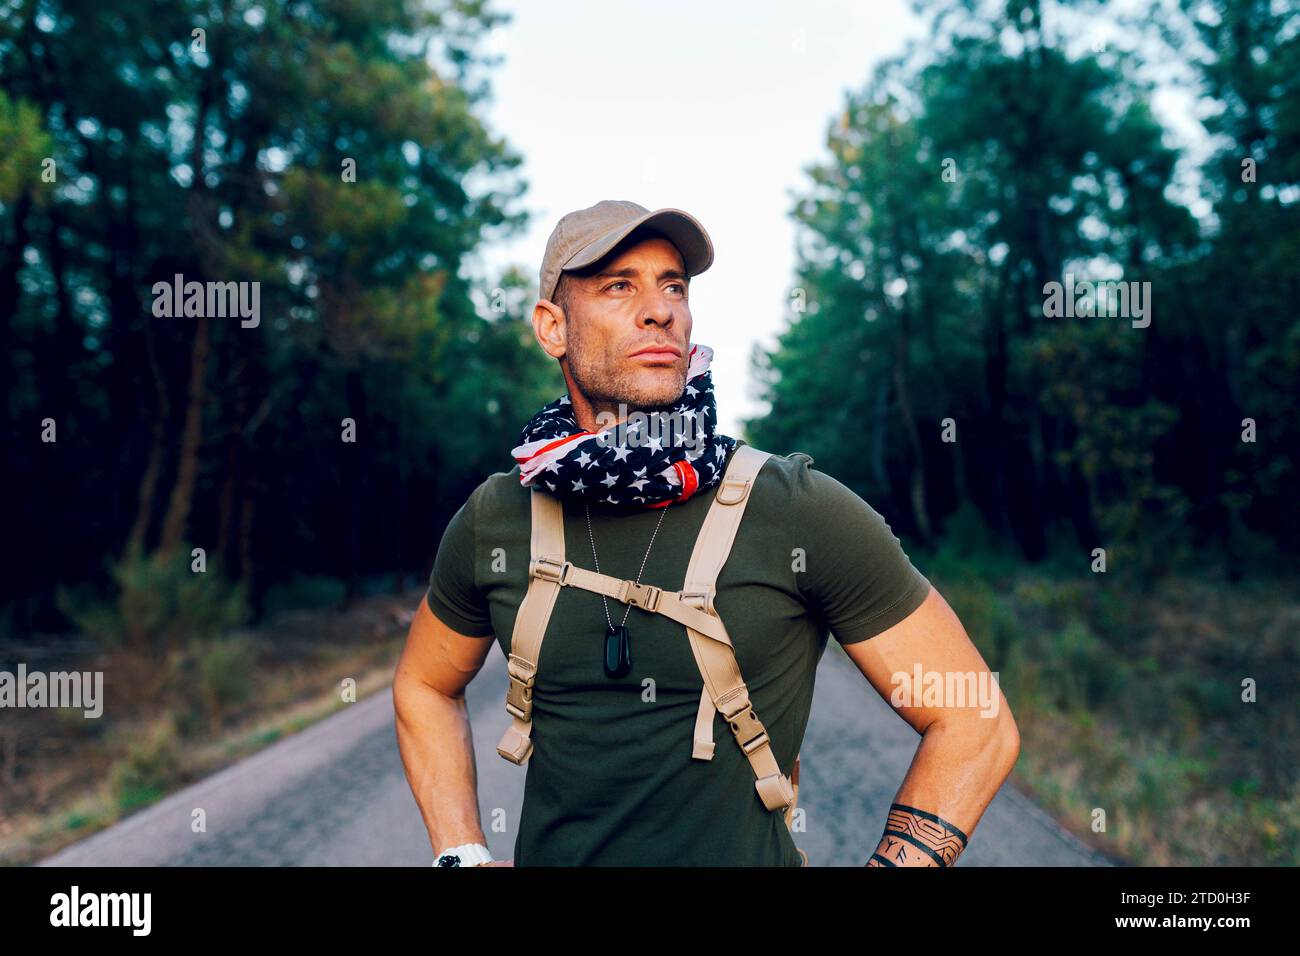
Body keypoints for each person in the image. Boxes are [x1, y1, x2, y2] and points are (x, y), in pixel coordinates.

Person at [393, 199, 1019, 867]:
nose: (659, 308)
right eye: (618, 286)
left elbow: (975, 720)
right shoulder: (498, 515)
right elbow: (424, 685)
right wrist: (460, 853)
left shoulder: (796, 509)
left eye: (673, 286)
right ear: (552, 328)